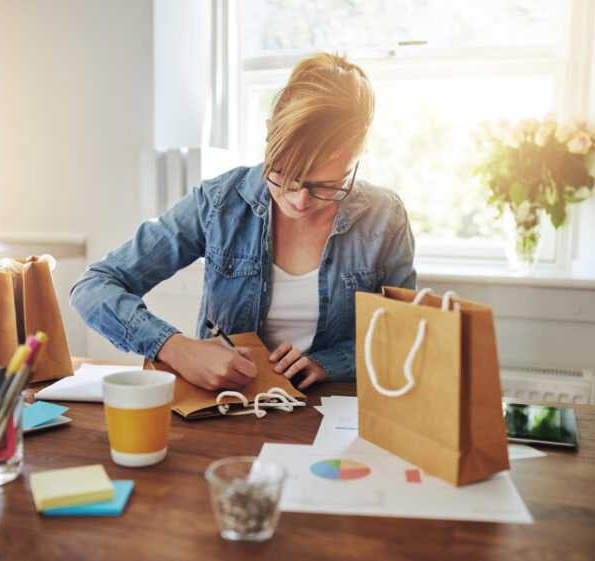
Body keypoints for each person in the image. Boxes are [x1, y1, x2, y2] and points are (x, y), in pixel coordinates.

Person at [69, 52, 416, 392]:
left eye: (326, 186)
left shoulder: (385, 217)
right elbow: (94, 286)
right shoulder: (219, 202)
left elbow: (404, 333)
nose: (299, 200)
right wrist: (176, 348)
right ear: (268, 135)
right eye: (284, 175)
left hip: (334, 414)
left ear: (361, 154)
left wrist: (330, 364)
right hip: (225, 414)